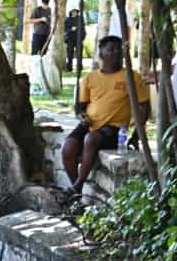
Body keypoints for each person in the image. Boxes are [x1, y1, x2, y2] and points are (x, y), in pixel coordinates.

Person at [61, 35, 150, 195]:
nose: (116, 52)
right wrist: (82, 117)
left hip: (115, 129)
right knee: (68, 148)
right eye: (111, 49)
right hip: (90, 124)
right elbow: (81, 107)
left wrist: (137, 135)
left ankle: (77, 187)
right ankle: (76, 191)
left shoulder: (132, 76)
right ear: (101, 54)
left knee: (91, 139)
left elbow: (144, 107)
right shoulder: (90, 77)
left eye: (118, 49)